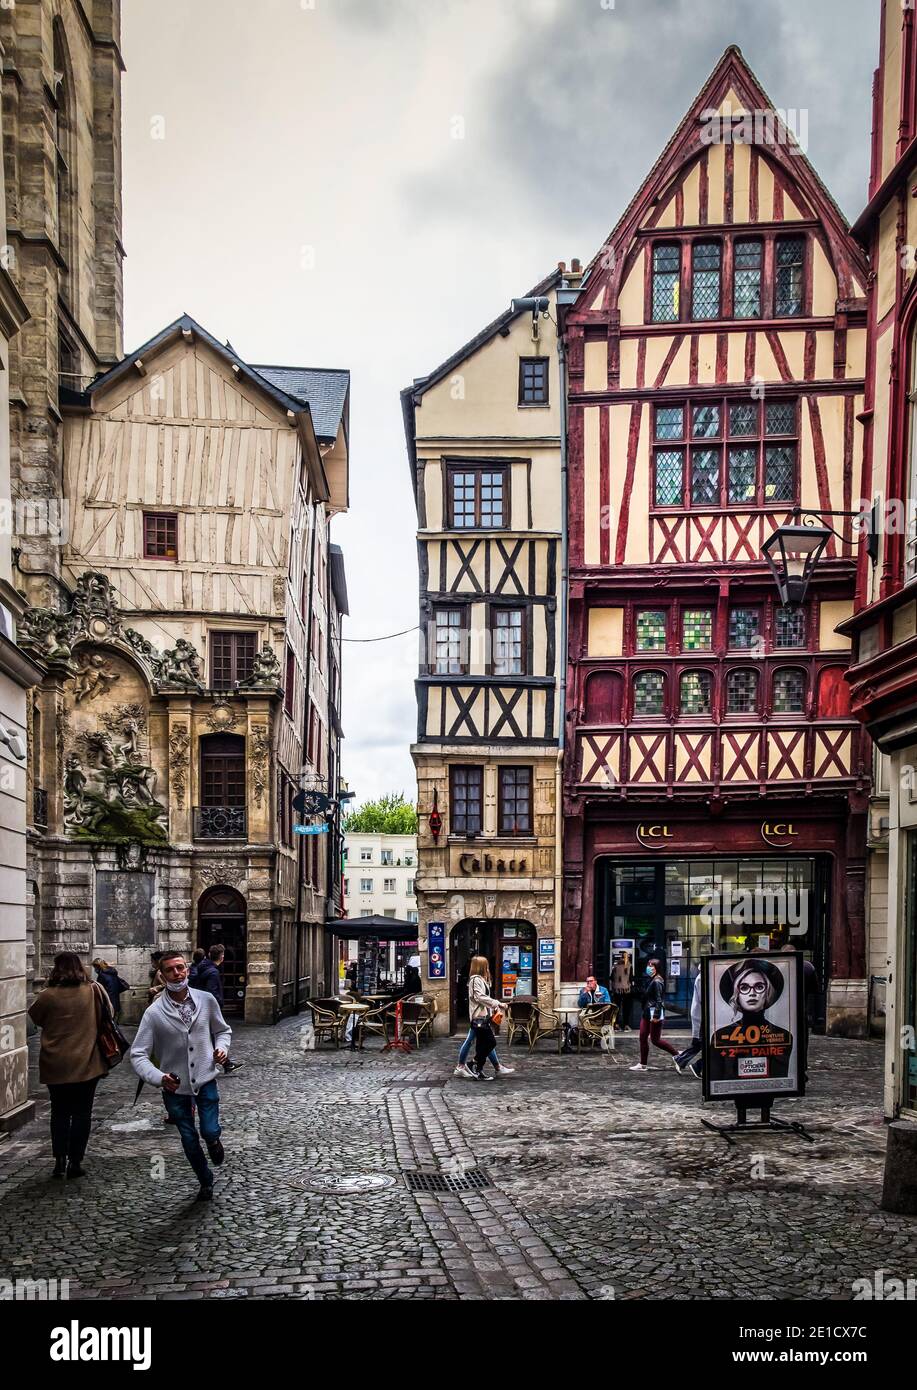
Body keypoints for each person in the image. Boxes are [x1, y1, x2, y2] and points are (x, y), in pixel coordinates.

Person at [130, 950, 233, 1201]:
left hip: (206, 1078)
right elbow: (138, 1054)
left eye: (180, 968)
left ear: (187, 969)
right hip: (175, 1087)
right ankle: (205, 1181)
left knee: (208, 1130)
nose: (177, 973)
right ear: (162, 975)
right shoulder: (154, 1013)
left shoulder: (206, 1000)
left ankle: (214, 1141)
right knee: (188, 1137)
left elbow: (223, 1030)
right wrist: (158, 1076)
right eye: (170, 970)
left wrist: (221, 1049)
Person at [28, 952, 112, 1180]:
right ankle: (76, 1161)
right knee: (83, 1113)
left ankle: (59, 1161)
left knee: (60, 1112)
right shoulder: (93, 990)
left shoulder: (47, 996)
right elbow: (109, 1015)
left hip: (56, 1062)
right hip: (87, 1062)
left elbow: (35, 1018)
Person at [707, 958, 793, 1084]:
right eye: (744, 987)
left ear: (768, 992)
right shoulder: (720, 1037)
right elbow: (717, 1078)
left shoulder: (784, 1036)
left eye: (759, 987)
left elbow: (778, 1078)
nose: (752, 993)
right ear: (737, 994)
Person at [465, 955, 514, 1081]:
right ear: (481, 967)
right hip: (478, 1018)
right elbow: (480, 997)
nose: (488, 967)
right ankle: (472, 1063)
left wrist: (494, 1008)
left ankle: (479, 1071)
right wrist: (497, 1003)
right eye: (485, 965)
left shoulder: (481, 979)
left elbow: (484, 998)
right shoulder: (475, 980)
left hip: (483, 1017)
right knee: (491, 1042)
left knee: (481, 1044)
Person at [629, 958, 679, 1072]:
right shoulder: (652, 979)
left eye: (651, 966)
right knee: (642, 1037)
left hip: (654, 1013)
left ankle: (678, 1056)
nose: (649, 968)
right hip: (647, 1013)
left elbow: (659, 1000)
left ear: (657, 968)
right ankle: (643, 1064)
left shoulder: (657, 981)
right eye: (648, 965)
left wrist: (656, 1016)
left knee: (655, 1040)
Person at [673, 967, 703, 1078]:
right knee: (702, 1043)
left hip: (701, 1015)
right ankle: (688, 1062)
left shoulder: (702, 978)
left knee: (700, 1043)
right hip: (701, 1015)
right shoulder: (702, 979)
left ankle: (682, 1060)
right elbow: (703, 998)